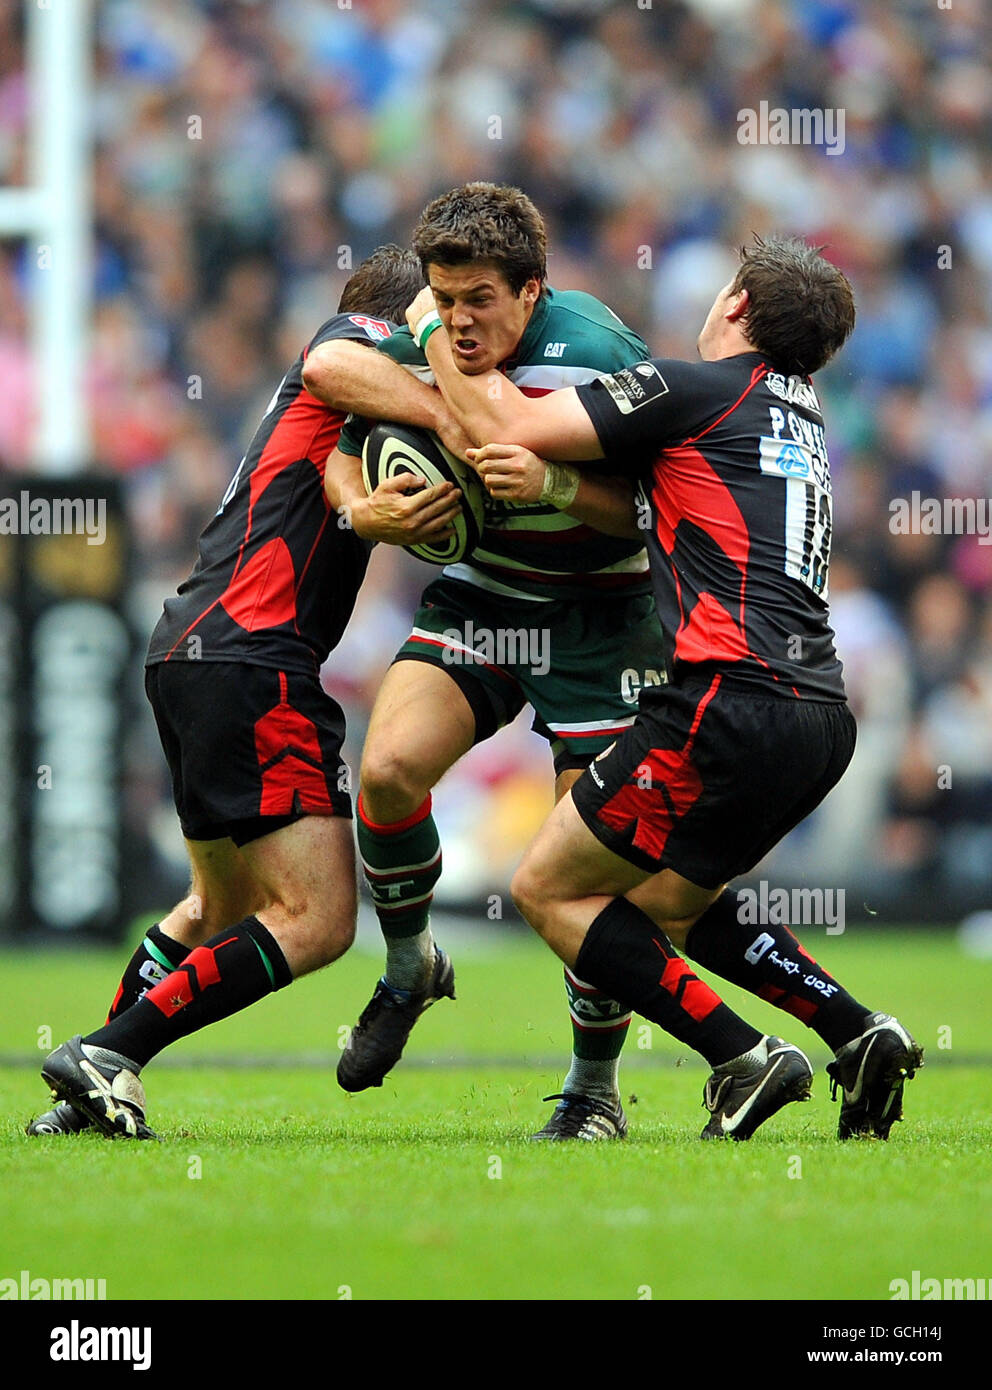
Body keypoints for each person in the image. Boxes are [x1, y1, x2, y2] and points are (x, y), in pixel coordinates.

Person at [415, 234, 923, 1140]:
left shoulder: (694, 386)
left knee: (548, 890)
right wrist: (564, 485)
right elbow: (661, 501)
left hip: (725, 698)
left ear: (735, 309)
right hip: (817, 716)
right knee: (665, 907)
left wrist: (429, 335)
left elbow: (503, 424)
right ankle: (857, 1032)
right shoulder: (804, 416)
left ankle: (744, 1057)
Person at [30, 246, 466, 1140]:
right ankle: (107, 1054)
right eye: (444, 311)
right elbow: (330, 354)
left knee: (214, 906)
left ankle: (92, 1089)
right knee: (316, 921)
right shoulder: (366, 339)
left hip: (191, 650)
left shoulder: (333, 421)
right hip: (253, 660)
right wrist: (456, 421)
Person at [305, 182, 664, 1140]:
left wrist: (553, 481)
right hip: (488, 594)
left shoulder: (594, 353)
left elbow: (652, 509)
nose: (459, 320)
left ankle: (594, 1091)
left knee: (578, 869)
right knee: (383, 769)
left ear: (534, 290)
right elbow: (327, 383)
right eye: (444, 296)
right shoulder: (423, 329)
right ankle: (410, 964)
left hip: (604, 614)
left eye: (480, 302)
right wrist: (359, 507)